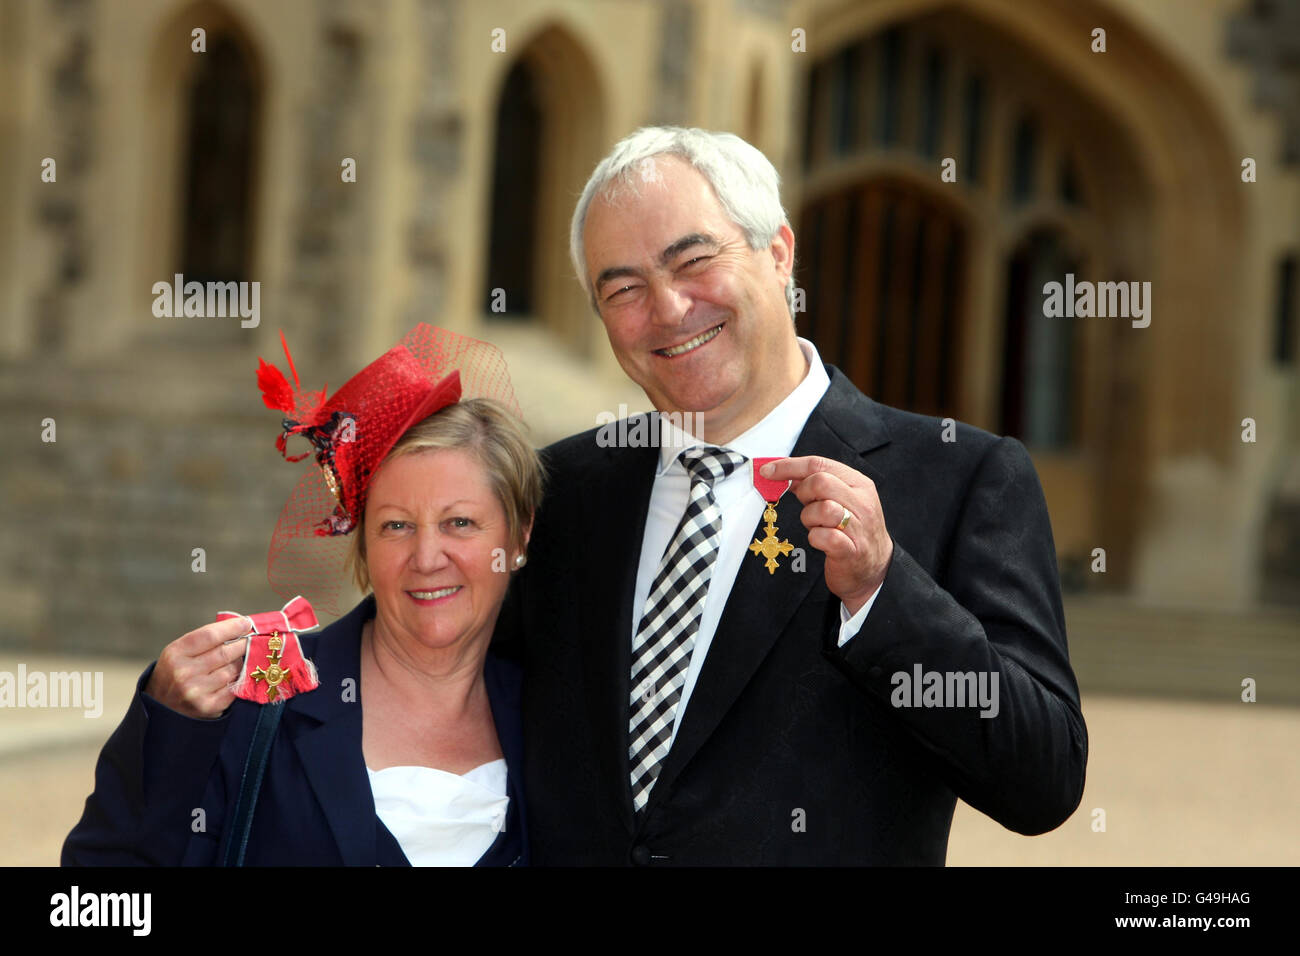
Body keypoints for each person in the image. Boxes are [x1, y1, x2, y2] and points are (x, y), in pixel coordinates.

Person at [495, 126, 1088, 864]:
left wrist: (882, 594)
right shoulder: (557, 495)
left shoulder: (960, 478)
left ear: (778, 253)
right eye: (623, 289)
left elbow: (1044, 778)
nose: (670, 307)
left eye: (694, 260)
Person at [63, 324, 543, 866]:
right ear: (361, 542)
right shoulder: (258, 688)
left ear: (519, 533)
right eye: (395, 526)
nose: (427, 557)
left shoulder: (562, 715)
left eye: (459, 522)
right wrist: (169, 734)